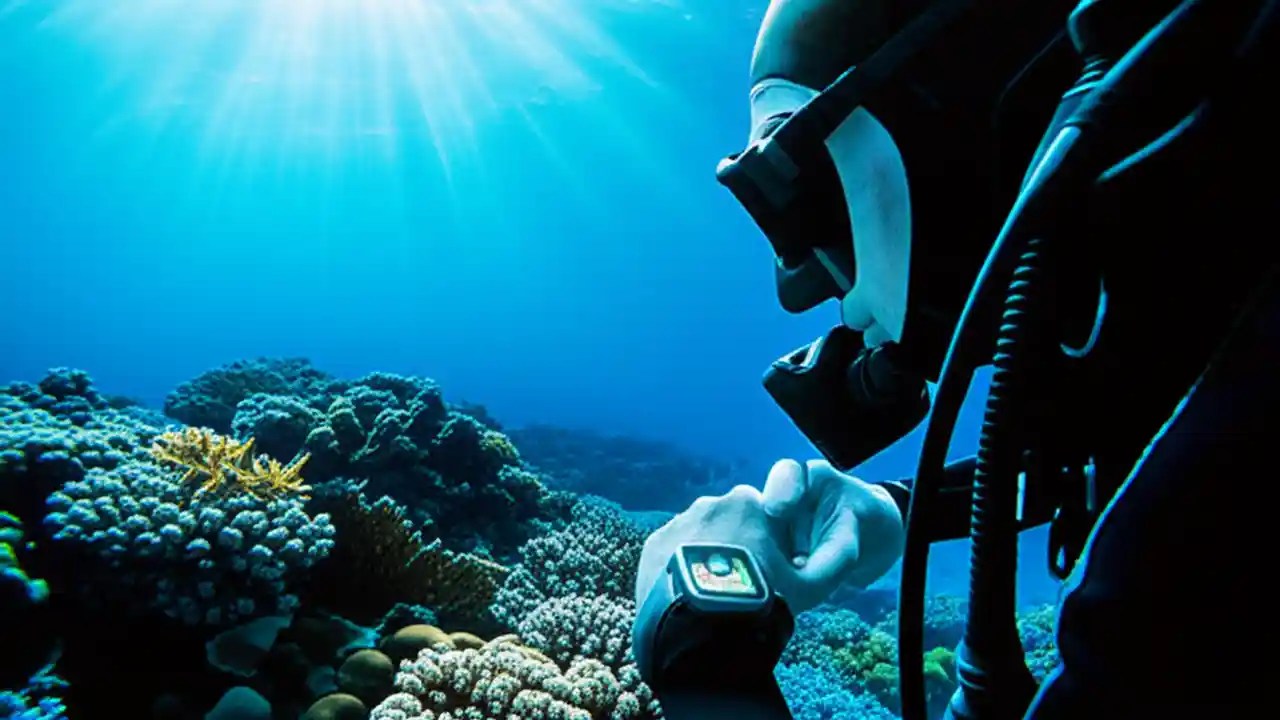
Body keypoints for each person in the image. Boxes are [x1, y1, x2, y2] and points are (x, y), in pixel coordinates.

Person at [636, 0, 1276, 717]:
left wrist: (707, 663)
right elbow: (1097, 466)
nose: (799, 290)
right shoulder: (1210, 304)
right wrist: (897, 510)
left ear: (951, 111)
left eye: (804, 196)